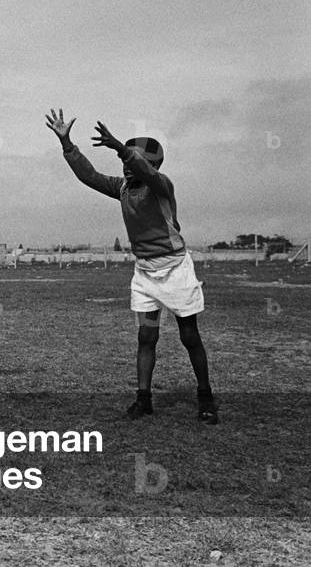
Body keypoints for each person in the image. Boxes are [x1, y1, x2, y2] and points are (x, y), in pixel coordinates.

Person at [45, 109, 218, 424]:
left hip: (175, 269)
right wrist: (68, 145)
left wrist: (120, 148)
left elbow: (147, 173)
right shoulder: (124, 188)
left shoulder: (161, 185)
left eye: (132, 160)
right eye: (123, 161)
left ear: (152, 165)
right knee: (146, 337)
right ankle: (144, 400)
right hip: (145, 273)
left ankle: (205, 398)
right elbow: (90, 176)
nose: (125, 165)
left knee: (189, 336)